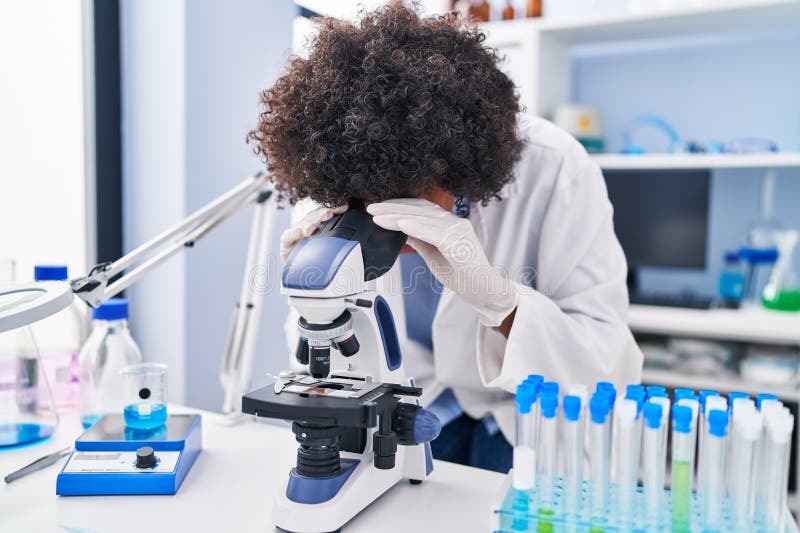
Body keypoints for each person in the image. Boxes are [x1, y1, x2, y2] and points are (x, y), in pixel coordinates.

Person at [248, 2, 643, 473]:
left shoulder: (554, 167)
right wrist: (313, 296)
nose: (389, 222)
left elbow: (609, 365)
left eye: (408, 198)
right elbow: (323, 367)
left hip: (520, 411)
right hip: (414, 398)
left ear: (457, 161)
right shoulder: (335, 177)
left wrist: (502, 303)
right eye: (370, 203)